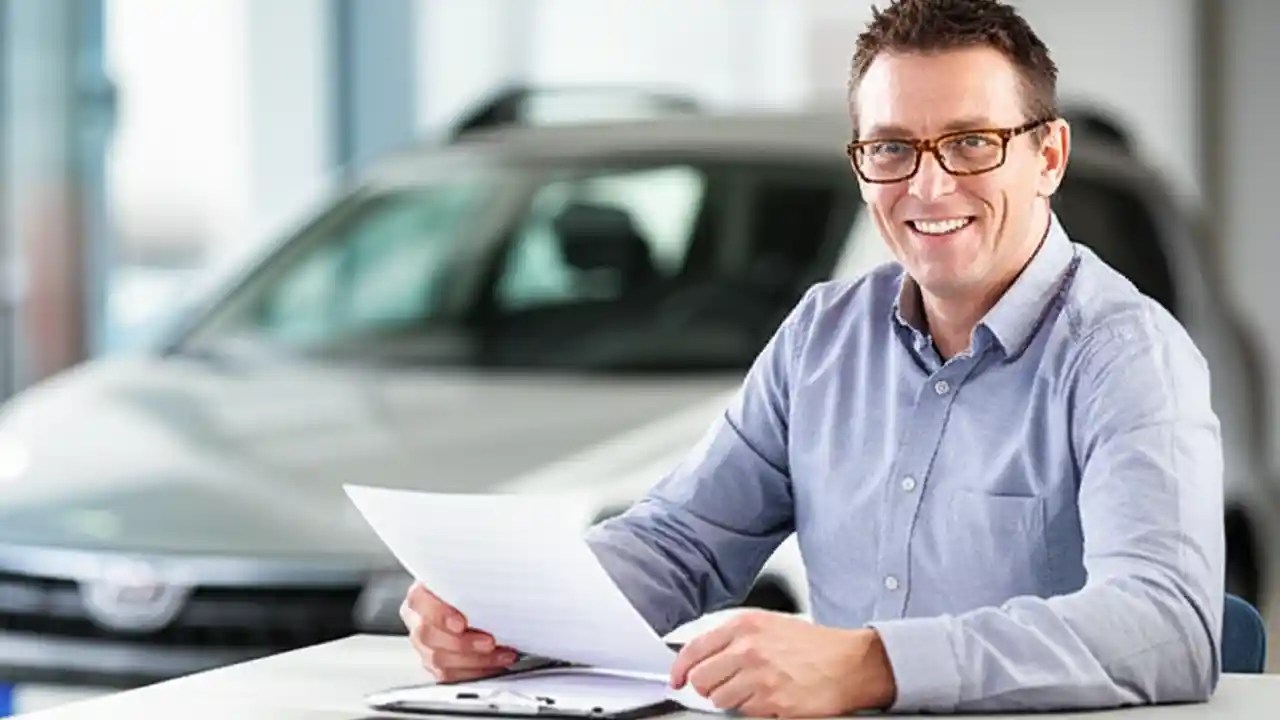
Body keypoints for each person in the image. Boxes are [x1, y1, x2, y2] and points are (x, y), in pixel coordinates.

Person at [400, 0, 1224, 715]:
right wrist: (512, 619)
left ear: (1048, 157)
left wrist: (871, 664)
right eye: (893, 148)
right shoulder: (825, 335)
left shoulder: (1126, 354)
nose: (929, 188)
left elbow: (1164, 623)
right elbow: (684, 541)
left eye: (972, 143)